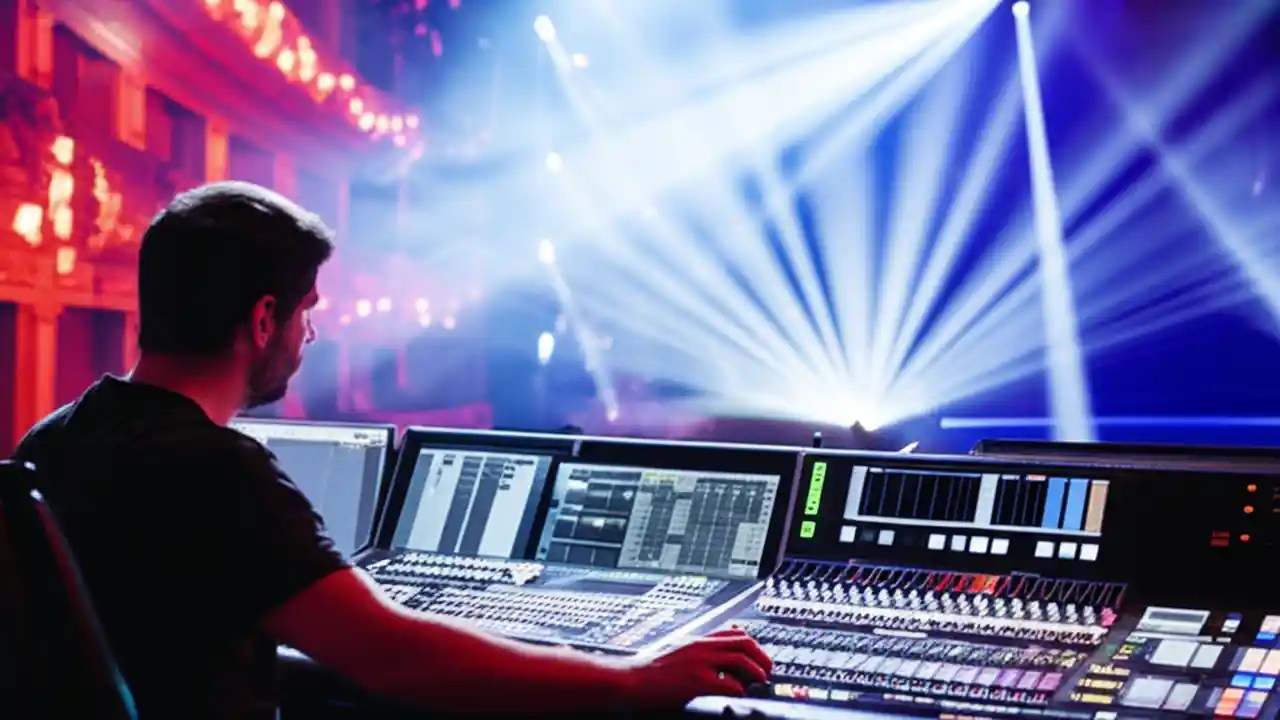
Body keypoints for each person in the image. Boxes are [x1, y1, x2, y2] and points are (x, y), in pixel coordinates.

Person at [14, 181, 771, 719]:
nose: (312, 334)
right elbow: (397, 657)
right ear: (264, 317)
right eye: (308, 311)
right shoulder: (219, 471)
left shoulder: (50, 439)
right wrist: (631, 679)